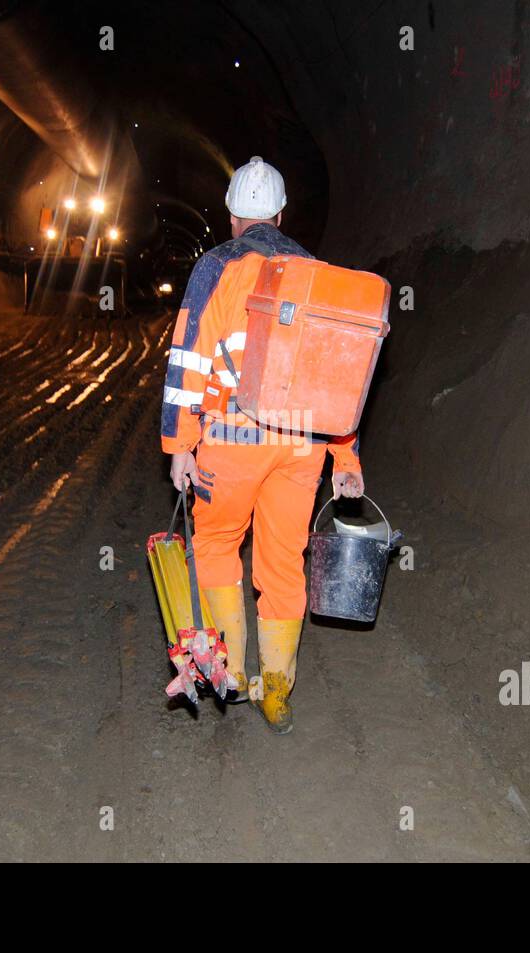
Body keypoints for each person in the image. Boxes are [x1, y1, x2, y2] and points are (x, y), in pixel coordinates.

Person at [160, 156, 364, 734]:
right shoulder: (315, 271)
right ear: (280, 214)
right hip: (302, 443)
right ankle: (277, 690)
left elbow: (187, 362)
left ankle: (228, 672)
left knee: (218, 542)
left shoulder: (214, 269)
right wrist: (344, 458)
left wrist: (181, 444)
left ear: (231, 217)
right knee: (282, 562)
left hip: (232, 438)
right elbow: (337, 377)